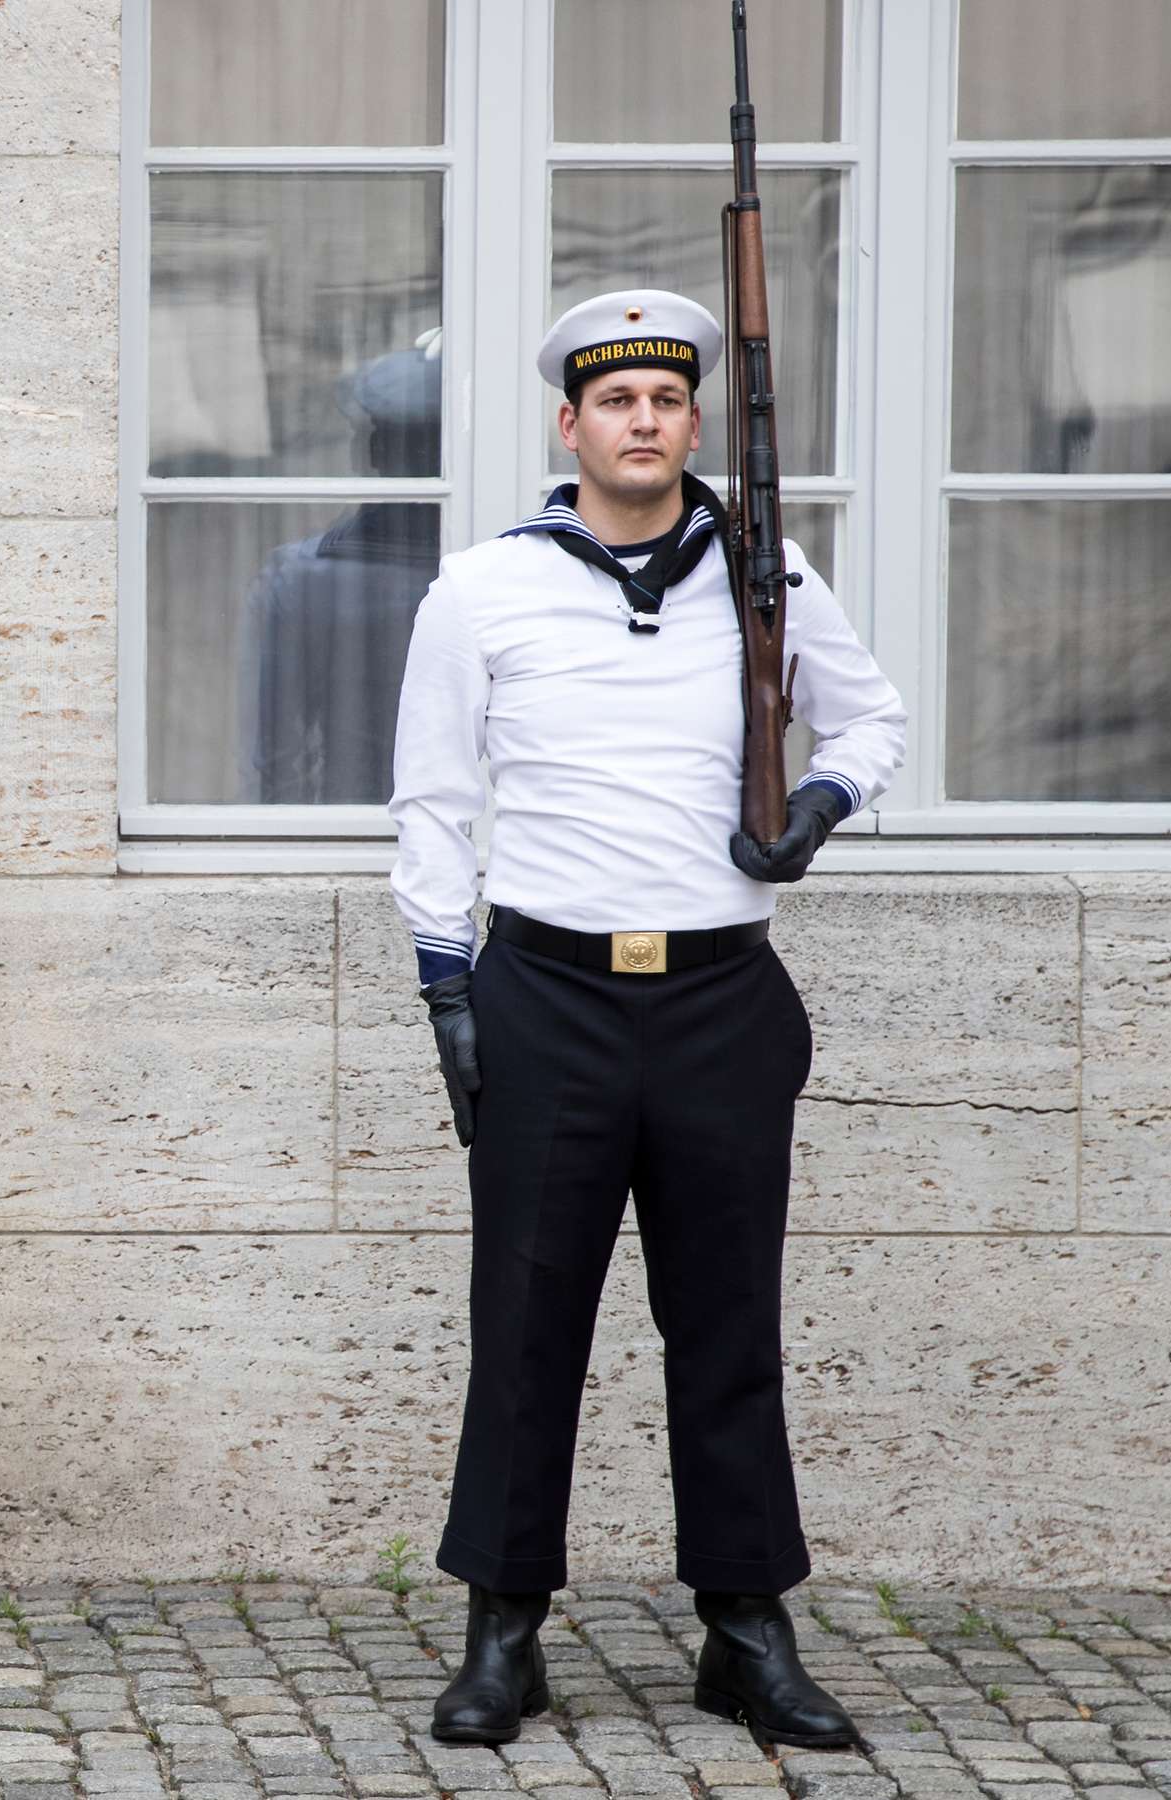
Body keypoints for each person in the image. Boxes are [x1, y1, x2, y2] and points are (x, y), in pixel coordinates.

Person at [387, 290, 906, 1749]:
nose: (643, 423)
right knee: (527, 1322)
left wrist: (818, 804)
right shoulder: (484, 590)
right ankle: (504, 1631)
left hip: (722, 1000)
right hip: (544, 992)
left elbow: (874, 723)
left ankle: (746, 1629)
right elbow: (430, 802)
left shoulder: (768, 575)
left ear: (692, 420)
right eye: (615, 402)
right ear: (572, 424)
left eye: (667, 402)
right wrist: (446, 986)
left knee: (729, 1325)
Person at [239, 335, 443, 803]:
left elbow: (273, 767)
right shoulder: (513, 575)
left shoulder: (299, 577)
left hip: (344, 832)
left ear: (370, 453)